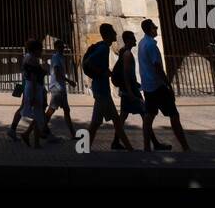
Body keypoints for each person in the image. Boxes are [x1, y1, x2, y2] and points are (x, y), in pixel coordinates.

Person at [138, 19, 189, 151]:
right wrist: (168, 84)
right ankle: (185, 146)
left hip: (148, 86)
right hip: (157, 86)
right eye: (155, 27)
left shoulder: (142, 43)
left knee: (149, 117)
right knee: (173, 115)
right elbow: (158, 67)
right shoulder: (151, 46)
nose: (157, 29)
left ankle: (146, 147)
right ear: (149, 29)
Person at [83, 23, 133, 151]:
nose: (116, 33)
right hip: (101, 90)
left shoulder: (105, 47)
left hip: (102, 90)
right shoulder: (104, 48)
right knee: (96, 123)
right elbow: (89, 62)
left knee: (116, 121)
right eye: (113, 31)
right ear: (108, 34)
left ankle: (129, 148)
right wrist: (102, 72)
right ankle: (83, 147)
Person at [16, 39, 48, 148]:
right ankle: (32, 139)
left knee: (36, 115)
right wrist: (34, 95)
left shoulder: (28, 57)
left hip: (32, 87)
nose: (42, 52)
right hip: (34, 88)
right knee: (37, 114)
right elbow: (34, 78)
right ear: (36, 50)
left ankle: (29, 136)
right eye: (40, 50)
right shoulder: (32, 60)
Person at [43, 39, 77, 139]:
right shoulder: (56, 57)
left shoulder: (61, 57)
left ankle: (73, 134)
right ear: (56, 47)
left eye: (63, 46)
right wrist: (69, 81)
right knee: (51, 110)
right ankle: (41, 127)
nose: (63, 48)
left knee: (66, 110)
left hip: (60, 88)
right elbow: (57, 73)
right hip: (57, 88)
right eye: (61, 46)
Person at [114, 30, 144, 134]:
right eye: (132, 38)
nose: (135, 40)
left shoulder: (124, 52)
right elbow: (126, 74)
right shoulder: (127, 54)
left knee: (123, 116)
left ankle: (116, 140)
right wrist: (130, 91)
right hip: (130, 91)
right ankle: (153, 142)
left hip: (128, 89)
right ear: (127, 40)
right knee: (145, 114)